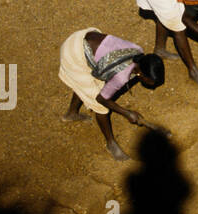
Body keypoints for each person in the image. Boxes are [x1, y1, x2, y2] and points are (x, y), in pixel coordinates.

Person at [59, 29, 166, 160]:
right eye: (151, 82)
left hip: (80, 37)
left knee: (86, 86)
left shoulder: (138, 50)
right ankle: (111, 144)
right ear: (141, 75)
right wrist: (127, 113)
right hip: (73, 54)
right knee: (101, 107)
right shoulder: (121, 77)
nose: (153, 86)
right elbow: (101, 98)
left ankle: (71, 113)